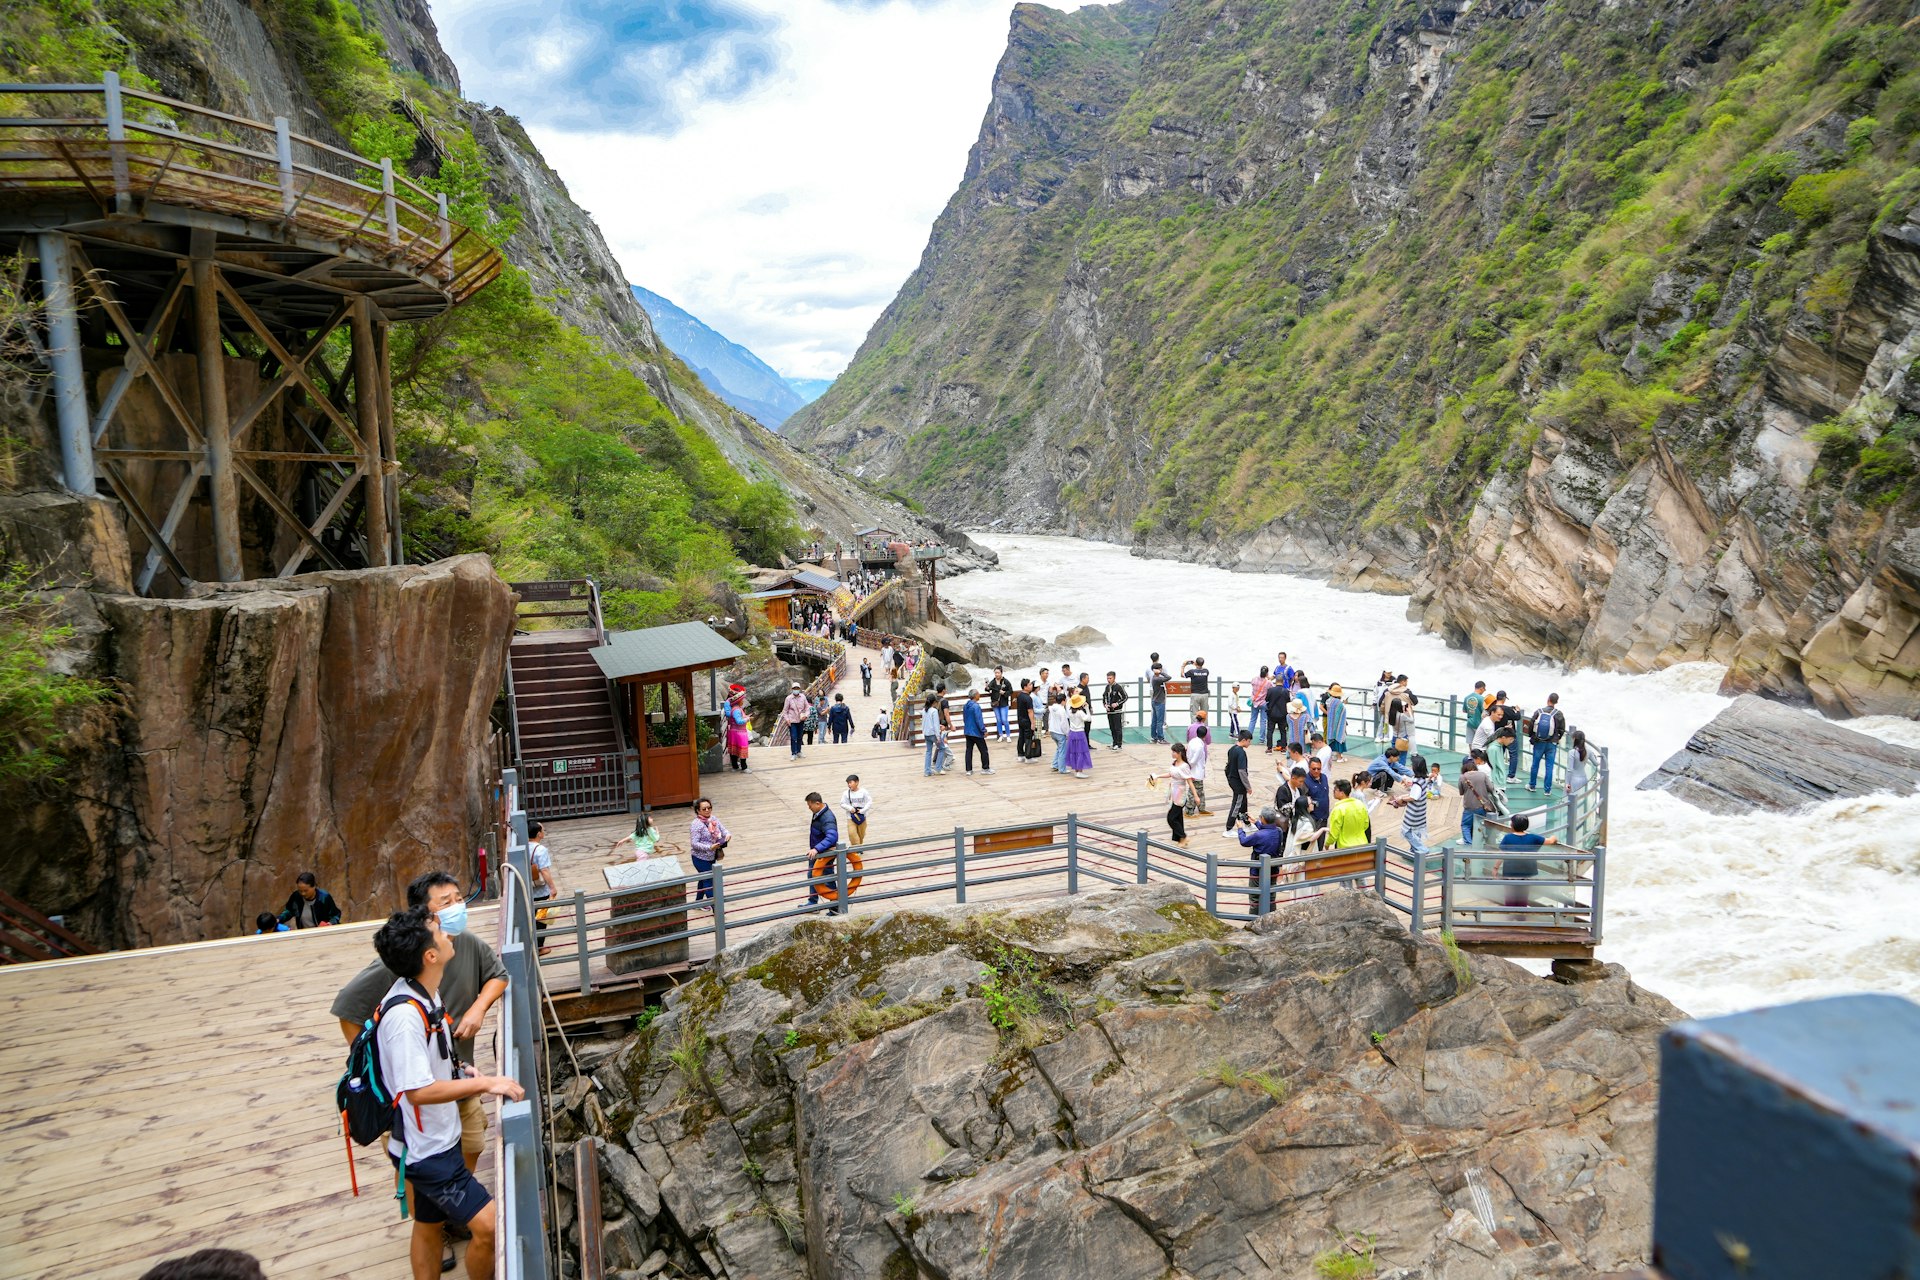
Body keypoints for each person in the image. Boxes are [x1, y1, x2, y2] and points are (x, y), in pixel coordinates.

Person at [333, 871, 511, 1202]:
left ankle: (451, 1208)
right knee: (420, 1170)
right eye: (447, 903)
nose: (459, 907)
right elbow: (348, 1008)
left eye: (460, 899)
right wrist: (386, 1063)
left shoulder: (462, 945)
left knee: (471, 1143)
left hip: (458, 1076)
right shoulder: (404, 966)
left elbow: (499, 974)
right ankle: (433, 1223)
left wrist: (478, 1008)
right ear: (424, 915)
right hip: (415, 1097)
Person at [368, 906, 525, 1280]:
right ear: (430, 955)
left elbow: (430, 1061)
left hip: (433, 1137)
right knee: (490, 1226)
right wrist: (487, 1083)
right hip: (426, 1150)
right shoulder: (405, 1017)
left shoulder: (424, 992)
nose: (446, 930)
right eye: (437, 929)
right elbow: (418, 1091)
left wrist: (459, 1070)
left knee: (428, 1224)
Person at [1498, 814, 1558, 907]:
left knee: (1510, 896)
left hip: (1510, 872)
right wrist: (1554, 837)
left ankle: (1510, 916)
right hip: (1527, 872)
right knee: (1523, 896)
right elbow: (1550, 841)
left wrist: (1495, 868)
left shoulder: (1507, 838)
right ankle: (1521, 917)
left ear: (1513, 825)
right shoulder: (1533, 837)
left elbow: (1501, 854)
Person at [1388, 754, 1437, 861]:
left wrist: (1401, 799)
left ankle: (1422, 849)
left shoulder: (1417, 784)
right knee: (1416, 831)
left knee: (1407, 831)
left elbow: (1413, 797)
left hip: (1414, 812)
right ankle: (1414, 851)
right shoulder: (1423, 779)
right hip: (1421, 810)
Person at [1148, 743, 1196, 847]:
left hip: (1180, 793)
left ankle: (1183, 836)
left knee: (1171, 817)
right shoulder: (1175, 763)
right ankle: (1180, 839)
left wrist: (1196, 796)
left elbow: (1190, 782)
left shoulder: (1184, 766)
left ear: (1179, 753)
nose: (1172, 753)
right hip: (1174, 791)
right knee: (1178, 817)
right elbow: (1171, 774)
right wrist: (1158, 776)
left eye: (1174, 752)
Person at [1235, 806, 1285, 906]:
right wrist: (1256, 822)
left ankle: (1254, 919)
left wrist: (1240, 829)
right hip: (1273, 868)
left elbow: (1244, 841)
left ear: (1262, 818)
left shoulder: (1258, 835)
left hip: (1258, 871)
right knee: (1271, 897)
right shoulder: (1279, 831)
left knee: (1255, 899)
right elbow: (1268, 830)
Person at [804, 792, 843, 913]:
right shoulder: (818, 813)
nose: (809, 808)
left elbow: (832, 836)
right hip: (818, 852)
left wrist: (817, 849)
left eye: (810, 805)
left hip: (824, 853)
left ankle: (835, 907)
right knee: (812, 875)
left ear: (817, 803)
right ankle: (813, 903)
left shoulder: (827, 817)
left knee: (828, 878)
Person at [688, 799, 727, 902]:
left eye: (709, 808)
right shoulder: (696, 825)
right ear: (698, 810)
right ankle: (716, 907)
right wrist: (709, 847)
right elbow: (694, 843)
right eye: (704, 809)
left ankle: (699, 902)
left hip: (711, 856)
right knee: (708, 881)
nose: (707, 810)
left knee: (704, 878)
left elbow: (723, 829)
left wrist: (727, 835)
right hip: (700, 858)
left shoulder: (713, 818)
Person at [1528, 693, 1567, 792]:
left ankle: (1532, 786)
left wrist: (1532, 736)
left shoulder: (1539, 711)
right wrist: (1557, 738)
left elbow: (1531, 725)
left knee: (1535, 764)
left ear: (1548, 699)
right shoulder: (1559, 714)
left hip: (1539, 742)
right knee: (1549, 766)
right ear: (1556, 702)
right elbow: (1562, 729)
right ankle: (1547, 790)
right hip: (1552, 743)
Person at [276, 871, 341, 929]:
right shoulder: (296, 896)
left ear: (314, 886)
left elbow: (335, 915)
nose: (303, 893)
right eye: (300, 891)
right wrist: (279, 919)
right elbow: (289, 911)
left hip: (321, 931)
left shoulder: (324, 897)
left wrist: (331, 923)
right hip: (304, 932)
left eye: (306, 891)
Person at [1460, 756, 1497, 845]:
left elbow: (1461, 792)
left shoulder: (1462, 777)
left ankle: (1468, 845)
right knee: (1482, 824)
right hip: (1483, 805)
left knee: (1466, 825)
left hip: (1469, 806)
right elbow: (1491, 788)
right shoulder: (1482, 775)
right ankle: (1482, 842)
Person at [1327, 778, 1372, 849]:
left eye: (1335, 790)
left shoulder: (1338, 809)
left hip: (1344, 848)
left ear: (1342, 793)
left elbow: (1334, 833)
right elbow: (1366, 824)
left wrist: (1327, 844)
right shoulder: (1360, 804)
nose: (1333, 792)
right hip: (1362, 844)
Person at [1224, 729, 1253, 830]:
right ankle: (1229, 828)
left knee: (1243, 803)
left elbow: (1227, 767)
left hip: (1232, 779)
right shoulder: (1241, 753)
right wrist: (1248, 787)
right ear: (1244, 740)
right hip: (1238, 783)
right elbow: (1242, 772)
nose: (1250, 743)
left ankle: (1247, 823)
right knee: (1237, 804)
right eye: (1249, 741)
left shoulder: (1232, 749)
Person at [962, 693, 995, 775]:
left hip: (967, 731)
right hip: (976, 732)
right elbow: (978, 720)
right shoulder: (976, 706)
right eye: (978, 694)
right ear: (975, 696)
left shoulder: (965, 706)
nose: (979, 695)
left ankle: (968, 770)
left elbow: (964, 718)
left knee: (969, 750)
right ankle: (985, 768)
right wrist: (983, 730)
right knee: (983, 750)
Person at [1065, 693, 1094, 778]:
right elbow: (1088, 719)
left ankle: (1076, 770)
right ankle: (1079, 771)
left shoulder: (1070, 711)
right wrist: (1087, 708)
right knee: (1081, 752)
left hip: (1072, 733)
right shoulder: (1080, 712)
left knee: (1074, 752)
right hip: (1080, 733)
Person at [921, 695, 952, 776]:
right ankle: (938, 768)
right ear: (934, 702)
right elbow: (935, 725)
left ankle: (927, 771)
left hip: (926, 733)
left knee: (928, 751)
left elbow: (926, 722)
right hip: (933, 734)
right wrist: (938, 736)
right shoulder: (934, 711)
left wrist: (938, 726)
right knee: (942, 748)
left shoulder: (924, 710)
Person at [724, 687, 752, 771]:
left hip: (735, 732)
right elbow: (739, 721)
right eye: (742, 700)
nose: (743, 701)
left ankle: (735, 766)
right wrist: (747, 719)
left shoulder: (737, 708)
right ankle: (744, 767)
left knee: (734, 749)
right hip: (739, 732)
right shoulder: (736, 710)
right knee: (742, 749)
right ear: (739, 701)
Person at [842, 774, 873, 845]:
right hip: (851, 817)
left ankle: (859, 847)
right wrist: (850, 808)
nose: (849, 785)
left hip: (862, 817)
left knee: (861, 835)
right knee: (852, 834)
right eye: (848, 783)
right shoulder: (846, 793)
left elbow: (869, 802)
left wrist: (862, 811)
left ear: (857, 782)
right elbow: (842, 803)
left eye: (850, 782)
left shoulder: (864, 792)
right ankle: (856, 850)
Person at [780, 682, 809, 758]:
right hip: (792, 721)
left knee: (800, 736)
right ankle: (793, 753)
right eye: (794, 688)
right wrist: (787, 720)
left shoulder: (803, 697)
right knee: (793, 737)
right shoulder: (788, 698)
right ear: (792, 689)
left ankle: (799, 751)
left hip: (801, 720)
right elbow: (785, 711)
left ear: (799, 689)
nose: (796, 690)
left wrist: (806, 715)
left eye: (797, 688)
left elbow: (807, 708)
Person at [1262, 675, 1290, 754]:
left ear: (1275, 681)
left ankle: (1269, 748)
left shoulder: (1271, 690)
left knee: (1270, 731)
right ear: (1283, 682)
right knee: (1283, 731)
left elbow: (1266, 699)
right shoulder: (1286, 691)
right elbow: (1288, 701)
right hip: (1283, 714)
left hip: (1272, 714)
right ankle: (1283, 748)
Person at [1188, 724, 1212, 815]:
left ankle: (1202, 808)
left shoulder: (1192, 742)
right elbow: (1194, 760)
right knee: (1193, 792)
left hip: (1196, 771)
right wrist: (1191, 765)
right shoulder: (1199, 746)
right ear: (1205, 735)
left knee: (1200, 791)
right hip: (1196, 772)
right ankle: (1189, 810)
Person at [1102, 670, 1128, 750]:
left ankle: (1119, 744)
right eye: (1107, 678)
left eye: (1110, 678)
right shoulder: (1107, 687)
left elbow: (1125, 697)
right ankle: (1114, 742)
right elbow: (1104, 697)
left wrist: (1117, 704)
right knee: (1112, 727)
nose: (1108, 680)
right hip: (1109, 711)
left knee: (1118, 728)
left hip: (1117, 711)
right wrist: (1105, 705)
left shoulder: (1118, 687)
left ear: (1114, 678)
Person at [1015, 678, 1039, 763]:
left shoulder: (1019, 695)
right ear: (1025, 687)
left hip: (1020, 719)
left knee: (1021, 737)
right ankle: (1028, 757)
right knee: (1028, 737)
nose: (1031, 686)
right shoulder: (1028, 698)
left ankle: (1020, 755)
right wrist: (1033, 723)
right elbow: (1030, 711)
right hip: (1027, 720)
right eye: (1029, 684)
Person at [1181, 657, 1211, 724]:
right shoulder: (1206, 671)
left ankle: (1194, 729)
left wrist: (1183, 666)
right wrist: (1197, 664)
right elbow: (1201, 668)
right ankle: (1204, 729)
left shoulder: (1192, 672)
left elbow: (1182, 675)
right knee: (1204, 713)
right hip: (1205, 695)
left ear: (1196, 663)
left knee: (1194, 713)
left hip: (1195, 694)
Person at [986, 667, 1014, 739]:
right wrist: (987, 687)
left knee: (1004, 719)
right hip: (995, 703)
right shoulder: (993, 682)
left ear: (1001, 673)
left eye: (998, 673)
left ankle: (1008, 735)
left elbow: (1011, 691)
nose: (997, 674)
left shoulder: (1006, 682)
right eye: (995, 673)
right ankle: (1001, 735)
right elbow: (988, 689)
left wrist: (1004, 692)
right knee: (998, 720)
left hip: (1004, 703)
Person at [1249, 666, 1271, 748]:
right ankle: (1261, 739)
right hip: (1263, 703)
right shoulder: (1268, 682)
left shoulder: (1254, 679)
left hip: (1254, 702)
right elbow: (1272, 688)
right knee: (1263, 721)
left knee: (1252, 720)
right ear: (1267, 673)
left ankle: (1248, 737)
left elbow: (1252, 684)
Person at [1322, 685, 1348, 754]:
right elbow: (1342, 711)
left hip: (1330, 722)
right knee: (1338, 737)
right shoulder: (1338, 702)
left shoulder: (1329, 700)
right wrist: (1344, 704)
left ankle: (1332, 754)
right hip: (1338, 724)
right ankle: (1339, 756)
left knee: (1330, 737)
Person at [1149, 662, 1170, 744]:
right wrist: (1161, 673)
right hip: (1159, 702)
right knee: (1159, 721)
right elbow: (1168, 677)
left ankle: (1154, 737)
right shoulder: (1157, 679)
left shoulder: (1154, 678)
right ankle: (1160, 738)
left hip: (1155, 701)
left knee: (1154, 720)